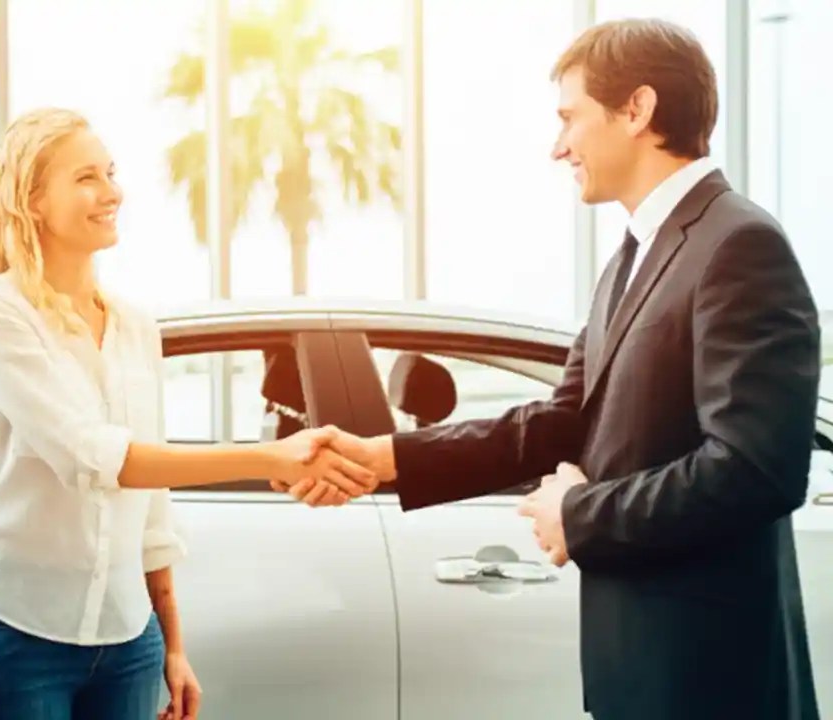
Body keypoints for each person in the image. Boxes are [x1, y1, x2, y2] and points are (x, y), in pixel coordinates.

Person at [276, 18, 821, 720]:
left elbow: (756, 471)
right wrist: (381, 458)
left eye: (570, 117)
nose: (558, 145)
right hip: (642, 665)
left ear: (637, 110)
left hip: (710, 674)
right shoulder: (634, 256)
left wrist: (579, 512)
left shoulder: (738, 245)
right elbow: (563, 422)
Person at [0, 108, 374, 720]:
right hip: (14, 632)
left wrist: (173, 645)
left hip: (128, 640)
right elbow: (91, 456)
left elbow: (151, 508)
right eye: (86, 177)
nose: (111, 191)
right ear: (31, 199)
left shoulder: (134, 325)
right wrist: (269, 455)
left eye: (111, 172)